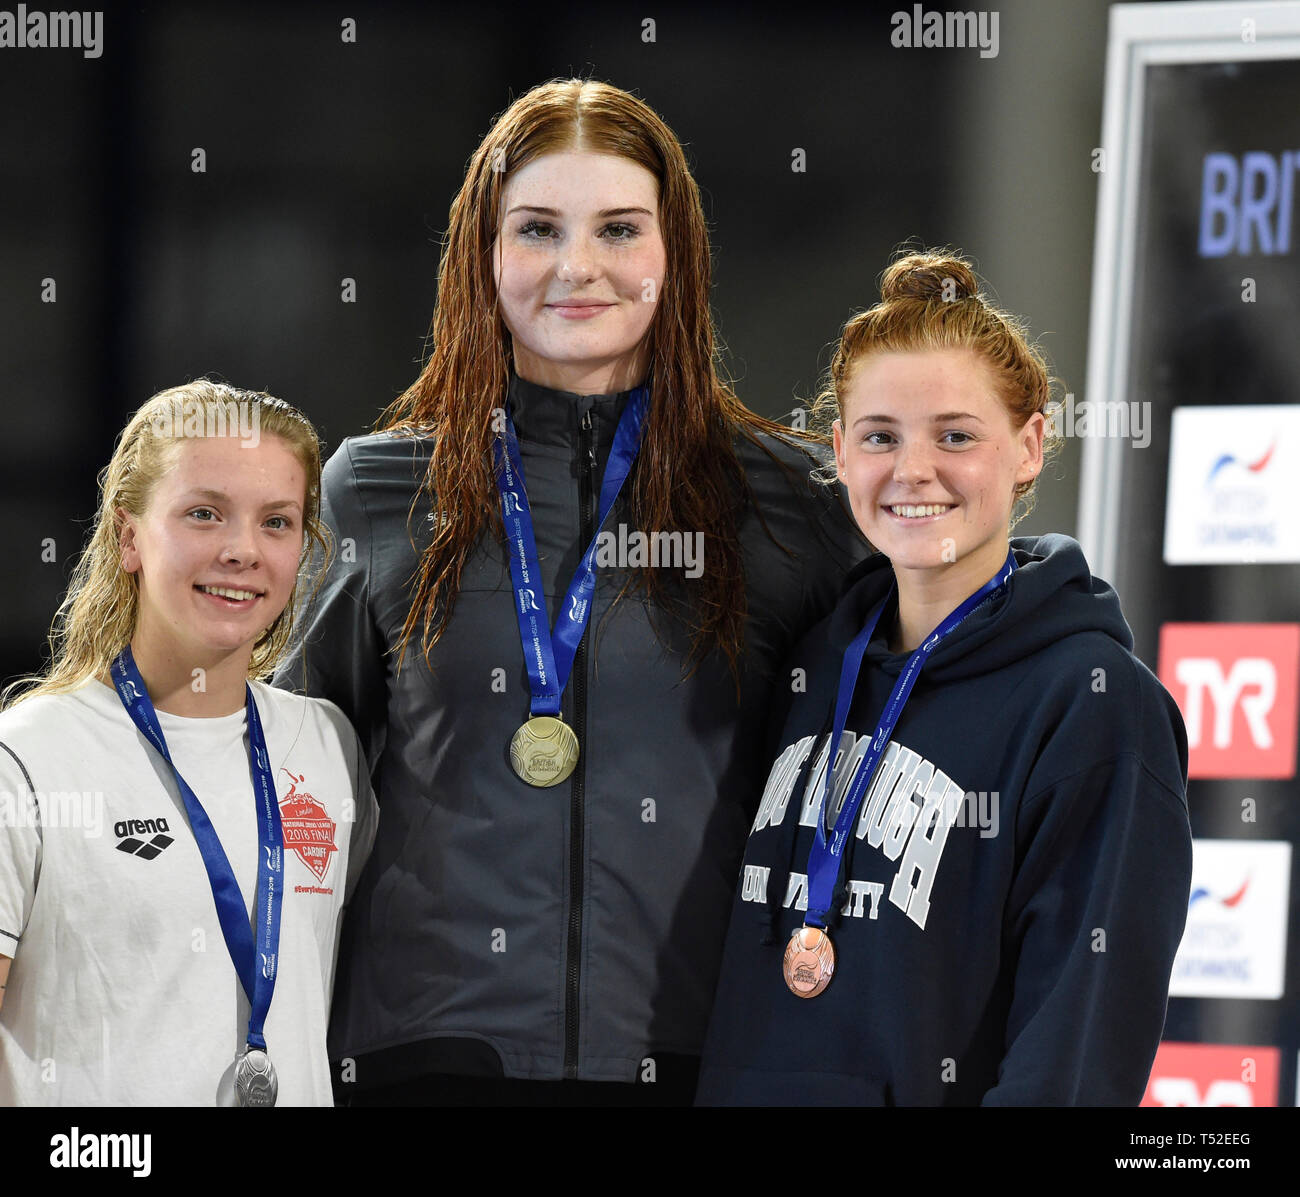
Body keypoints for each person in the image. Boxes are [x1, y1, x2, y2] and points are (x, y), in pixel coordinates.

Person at [274, 77, 865, 1106]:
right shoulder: (378, 491)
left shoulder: (787, 502)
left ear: (673, 252)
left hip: (691, 1057)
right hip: (427, 1058)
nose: (576, 267)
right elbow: (286, 773)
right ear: (482, 254)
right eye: (538, 228)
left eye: (618, 230)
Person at [695, 250, 1194, 1106]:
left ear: (1030, 445)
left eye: (956, 435)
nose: (913, 469)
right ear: (842, 454)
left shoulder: (1095, 704)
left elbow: (1074, 1052)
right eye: (881, 436)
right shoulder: (810, 665)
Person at [0, 380, 377, 1106]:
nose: (241, 549)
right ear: (128, 536)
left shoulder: (327, 748)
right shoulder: (30, 758)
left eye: (277, 521)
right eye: (204, 513)